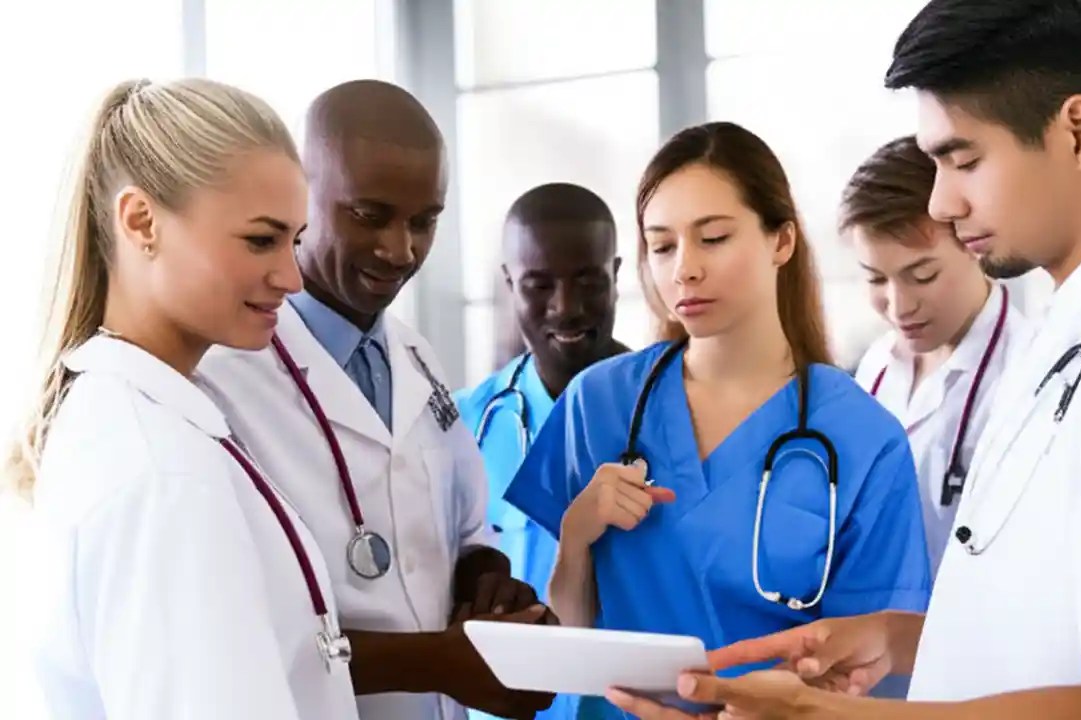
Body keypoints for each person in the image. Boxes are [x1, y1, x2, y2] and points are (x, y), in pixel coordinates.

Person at [608, 1, 1081, 718]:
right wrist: (899, 641)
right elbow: (1046, 621)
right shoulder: (1076, 322)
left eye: (964, 160)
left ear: (1078, 132)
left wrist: (826, 716)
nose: (943, 202)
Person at [503, 121, 933, 719]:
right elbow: (569, 638)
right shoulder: (598, 404)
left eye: (713, 238)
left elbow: (869, 672)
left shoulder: (863, 439)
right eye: (662, 245)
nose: (684, 270)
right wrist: (576, 537)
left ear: (781, 240)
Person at [196, 80, 553, 720]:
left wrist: (488, 586)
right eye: (370, 215)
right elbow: (230, 633)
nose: (402, 250)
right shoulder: (219, 376)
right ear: (302, 195)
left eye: (425, 221)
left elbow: (468, 529)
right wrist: (437, 662)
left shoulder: (415, 356)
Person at [13, 78, 358, 719]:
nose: (291, 276)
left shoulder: (139, 423)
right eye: (261, 240)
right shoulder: (160, 469)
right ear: (141, 221)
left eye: (295, 241)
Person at [455, 182, 628, 720]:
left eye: (588, 281)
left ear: (616, 275)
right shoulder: (460, 424)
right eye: (539, 284)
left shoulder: (674, 412)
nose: (567, 307)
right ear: (509, 283)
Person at [844, 136, 1025, 578]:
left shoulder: (1025, 373)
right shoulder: (877, 365)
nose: (898, 306)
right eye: (875, 279)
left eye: (921, 276)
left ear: (973, 243)